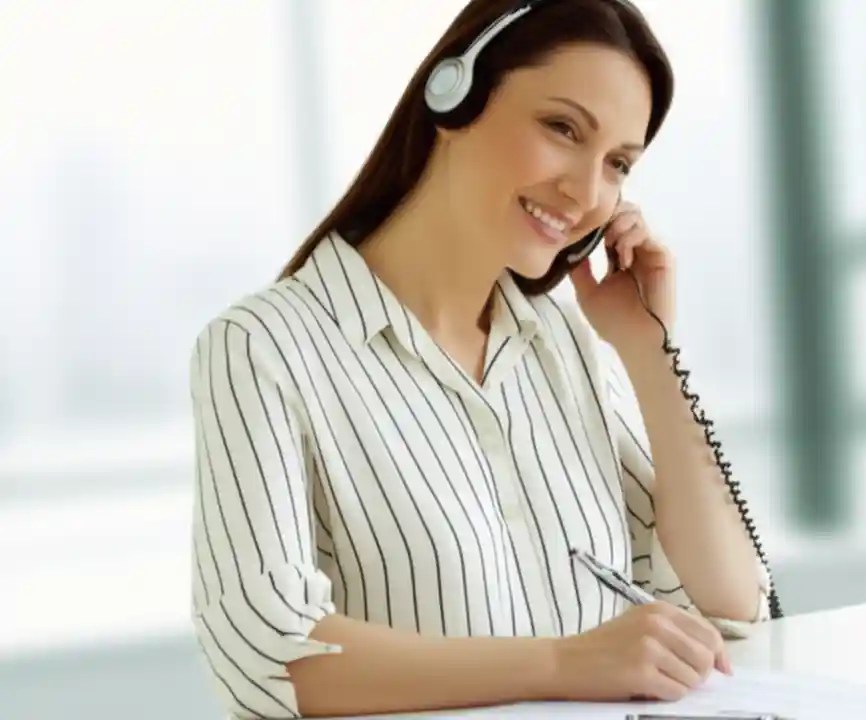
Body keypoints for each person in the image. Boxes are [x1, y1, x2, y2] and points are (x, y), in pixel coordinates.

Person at [187, 1, 779, 717]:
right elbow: (270, 654)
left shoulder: (566, 349)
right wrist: (562, 663)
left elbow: (730, 605)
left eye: (618, 164)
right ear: (453, 96)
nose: (588, 194)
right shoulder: (264, 347)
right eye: (563, 129)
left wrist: (648, 351)